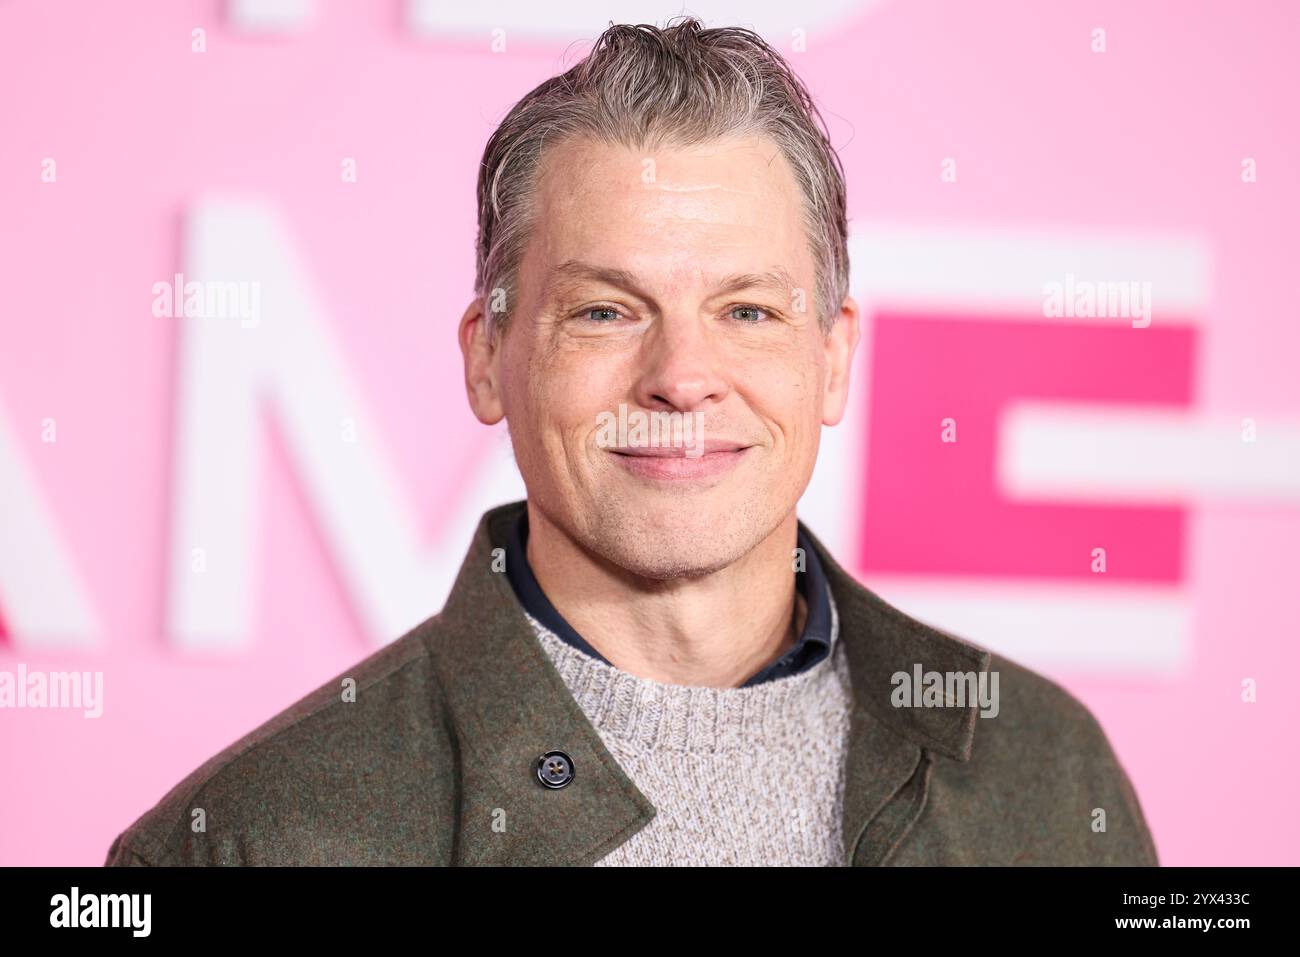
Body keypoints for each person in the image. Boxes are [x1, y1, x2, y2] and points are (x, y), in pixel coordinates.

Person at [105, 16, 1157, 866]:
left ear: (832, 360)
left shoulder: (1042, 771)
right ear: (488, 358)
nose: (680, 377)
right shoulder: (253, 841)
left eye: (749, 311)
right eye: (606, 311)